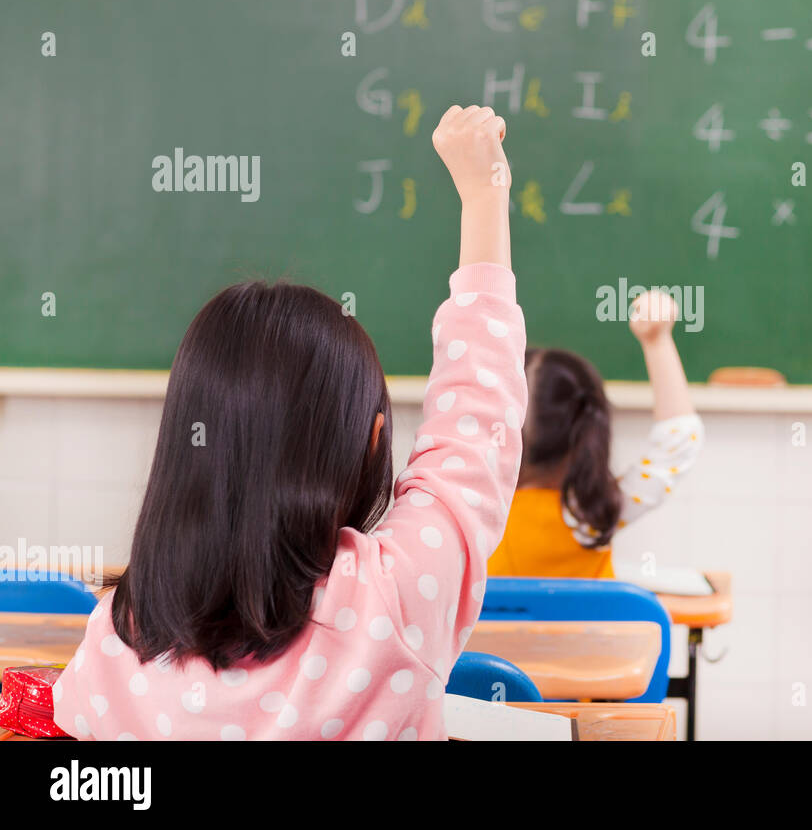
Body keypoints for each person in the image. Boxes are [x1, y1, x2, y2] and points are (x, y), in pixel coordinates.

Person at [53, 105, 527, 740]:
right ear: (372, 443)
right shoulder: (391, 598)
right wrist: (485, 194)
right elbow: (475, 422)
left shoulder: (113, 646)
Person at [488, 289, 703, 578]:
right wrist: (657, 342)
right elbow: (679, 439)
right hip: (593, 626)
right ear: (590, 431)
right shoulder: (590, 515)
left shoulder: (475, 515)